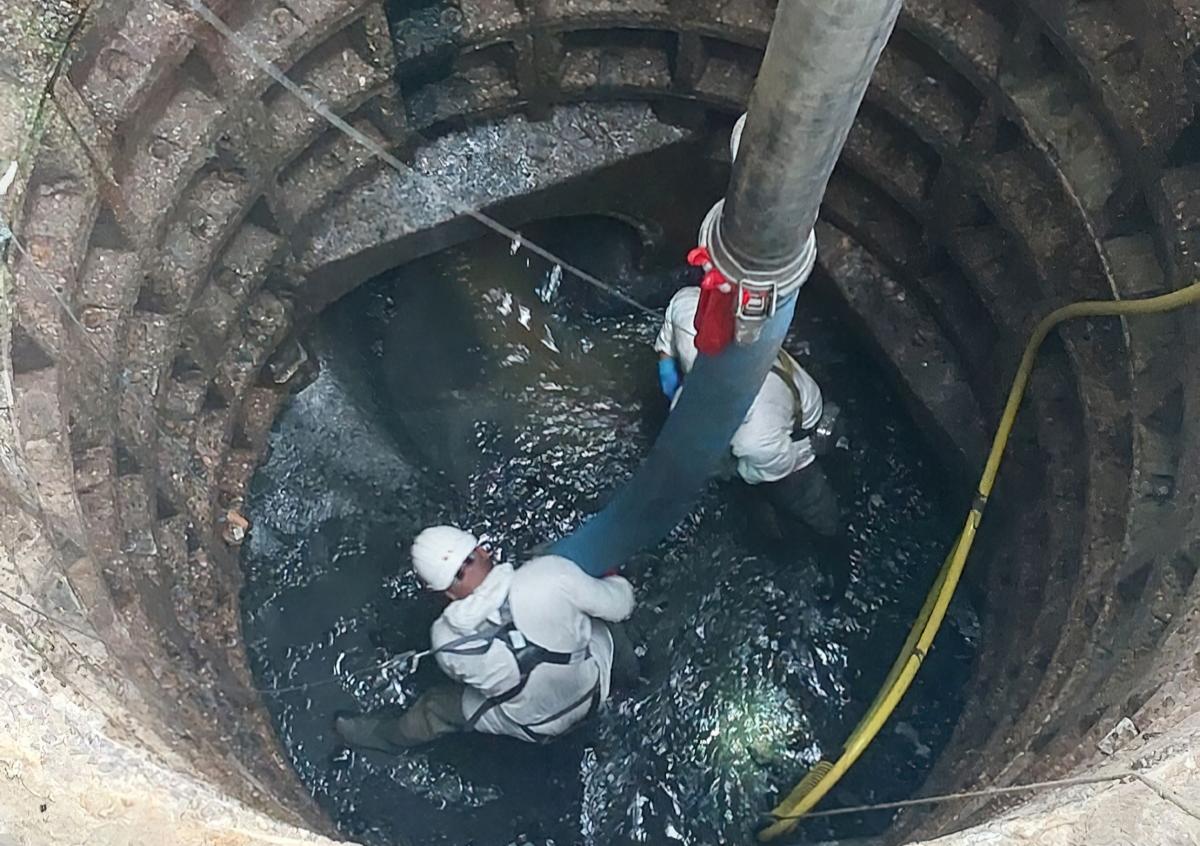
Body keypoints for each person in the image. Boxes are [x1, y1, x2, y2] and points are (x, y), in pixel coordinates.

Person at [335, 525, 637, 750]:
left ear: (443, 593)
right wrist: (605, 577)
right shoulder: (550, 574)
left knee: (436, 708)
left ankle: (383, 739)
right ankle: (635, 677)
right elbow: (623, 604)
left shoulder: (444, 641)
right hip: (595, 689)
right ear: (482, 550)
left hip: (537, 727)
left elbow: (477, 677)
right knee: (603, 615)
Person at [655, 288, 849, 594]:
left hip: (793, 444)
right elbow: (676, 310)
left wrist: (733, 471)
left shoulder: (756, 436)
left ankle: (836, 556)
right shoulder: (692, 319)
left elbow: (776, 465)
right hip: (754, 434)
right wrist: (666, 360)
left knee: (813, 506)